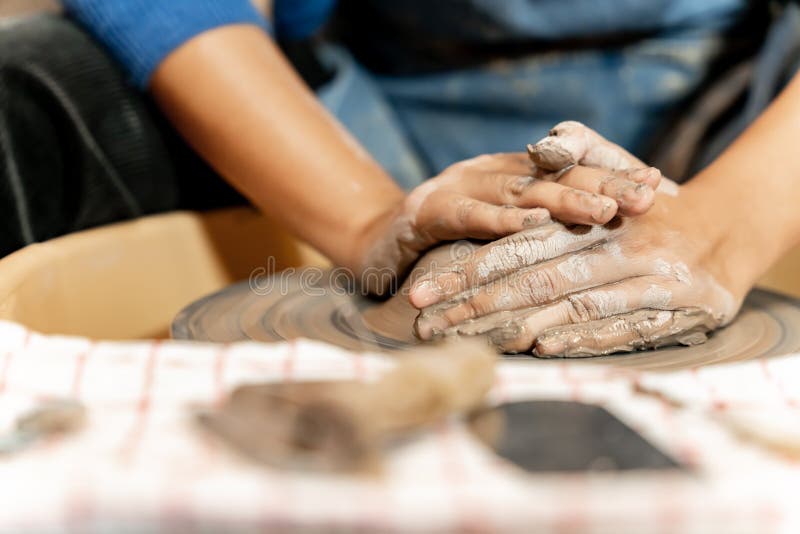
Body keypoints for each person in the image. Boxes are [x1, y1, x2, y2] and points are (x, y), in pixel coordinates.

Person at [1, 1, 798, 354]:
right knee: (25, 100)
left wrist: (725, 228)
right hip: (369, 113)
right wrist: (370, 219)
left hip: (734, 128)